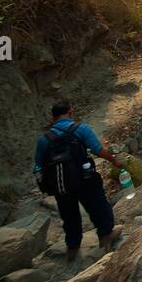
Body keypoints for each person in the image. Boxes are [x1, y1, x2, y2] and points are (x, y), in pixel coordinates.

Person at [34, 101, 125, 260]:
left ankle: (73, 246)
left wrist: (47, 186)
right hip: (85, 179)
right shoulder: (81, 129)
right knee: (98, 206)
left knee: (68, 215)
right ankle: (106, 235)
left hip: (61, 185)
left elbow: (38, 167)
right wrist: (114, 161)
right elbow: (98, 150)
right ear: (70, 112)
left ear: (53, 118)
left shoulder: (44, 139)